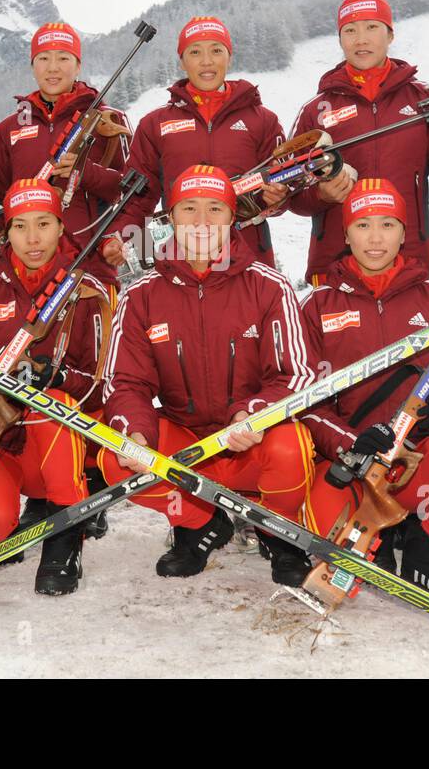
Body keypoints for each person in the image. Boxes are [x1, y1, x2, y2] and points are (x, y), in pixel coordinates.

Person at [98, 165, 317, 584]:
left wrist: (252, 413)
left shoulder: (269, 287)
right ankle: (199, 522)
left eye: (215, 209)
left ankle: (279, 529)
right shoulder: (141, 295)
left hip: (249, 440)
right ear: (170, 218)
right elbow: (126, 382)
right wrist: (136, 432)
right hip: (188, 444)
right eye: (189, 209)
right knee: (114, 455)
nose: (201, 222)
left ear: (232, 217)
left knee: (292, 447)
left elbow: (295, 375)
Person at [298, 179, 429, 611]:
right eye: (363, 225)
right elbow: (302, 402)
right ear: (346, 232)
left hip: (415, 459)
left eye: (388, 224)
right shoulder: (317, 305)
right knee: (321, 531)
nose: (375, 238)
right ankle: (383, 532)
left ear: (404, 231)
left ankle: (428, 551)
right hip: (351, 463)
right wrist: (349, 442)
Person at [0, 179, 111, 595]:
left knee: (55, 403)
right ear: (7, 232)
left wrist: (56, 379)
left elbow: (101, 384)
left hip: (57, 443)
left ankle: (65, 541)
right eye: (20, 227)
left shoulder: (86, 289)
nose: (32, 238)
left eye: (43, 224)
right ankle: (11, 520)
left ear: (60, 226)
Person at [288, 0, 429, 281]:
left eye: (372, 27)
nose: (361, 39)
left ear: (390, 35)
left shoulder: (427, 100)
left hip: (411, 263)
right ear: (340, 40)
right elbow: (290, 195)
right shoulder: (315, 110)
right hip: (335, 265)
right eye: (350, 30)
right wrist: (321, 194)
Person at [101, 17, 288, 270]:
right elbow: (138, 198)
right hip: (180, 259)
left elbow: (286, 191)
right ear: (182, 61)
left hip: (248, 257)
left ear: (229, 56)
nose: (207, 61)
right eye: (195, 52)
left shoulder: (262, 120)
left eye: (216, 50)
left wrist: (277, 198)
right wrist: (120, 236)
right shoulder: (155, 124)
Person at [0, 21, 131, 289]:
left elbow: (131, 188)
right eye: (43, 58)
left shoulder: (108, 120)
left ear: (78, 65)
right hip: (23, 271)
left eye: (63, 58)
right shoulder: (8, 128)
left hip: (90, 266)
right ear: (32, 65)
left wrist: (86, 173)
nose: (53, 67)